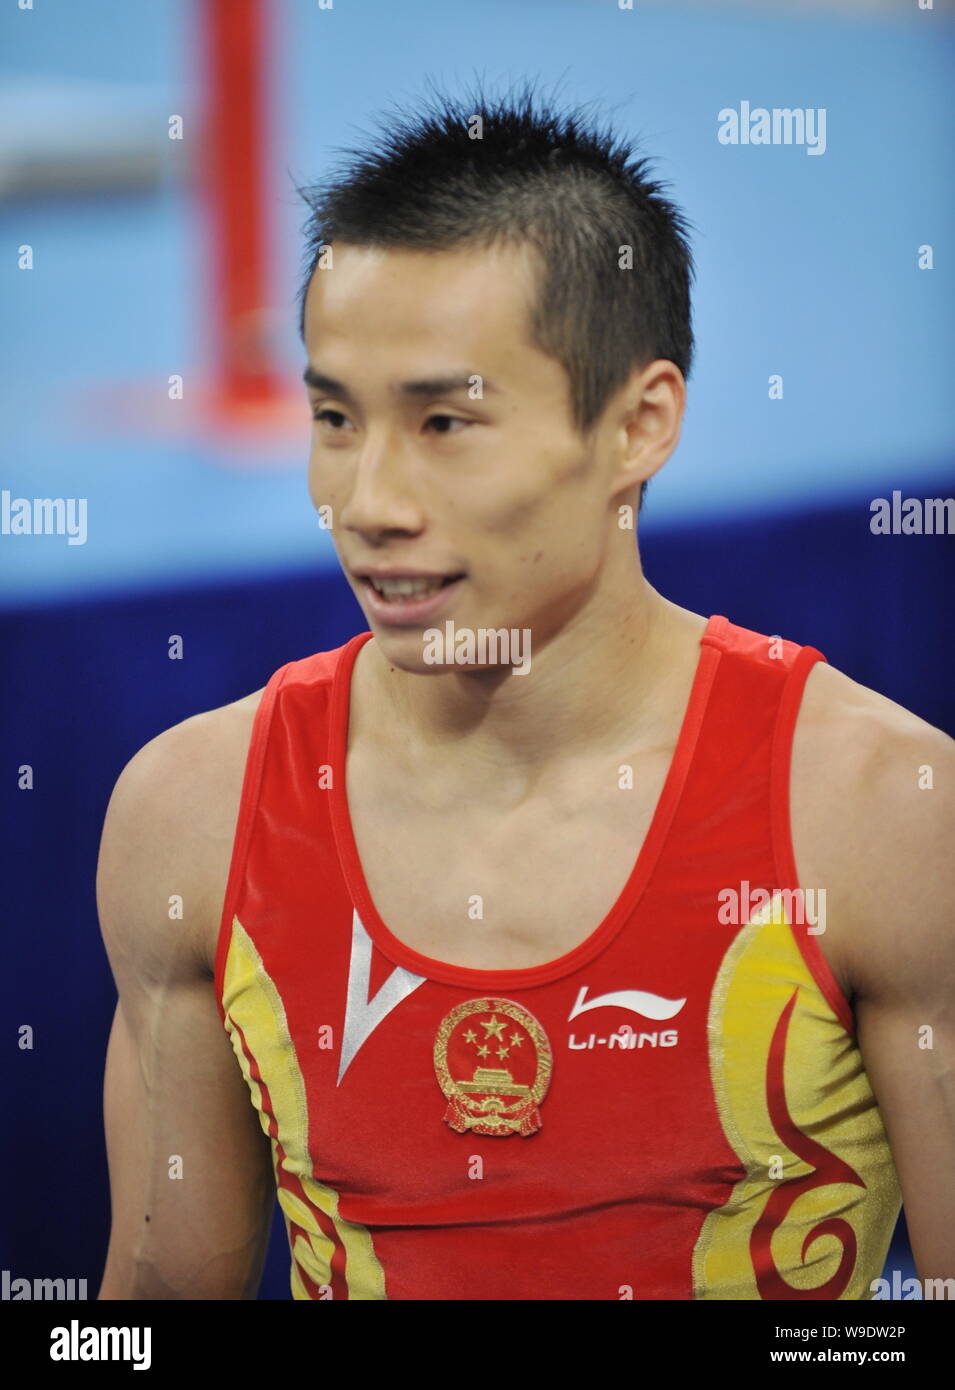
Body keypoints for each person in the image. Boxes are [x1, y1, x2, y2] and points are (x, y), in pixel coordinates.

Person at [95, 87, 954, 1301]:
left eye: (445, 420)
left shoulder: (881, 816)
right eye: (334, 417)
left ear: (640, 423)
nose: (370, 500)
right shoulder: (189, 814)